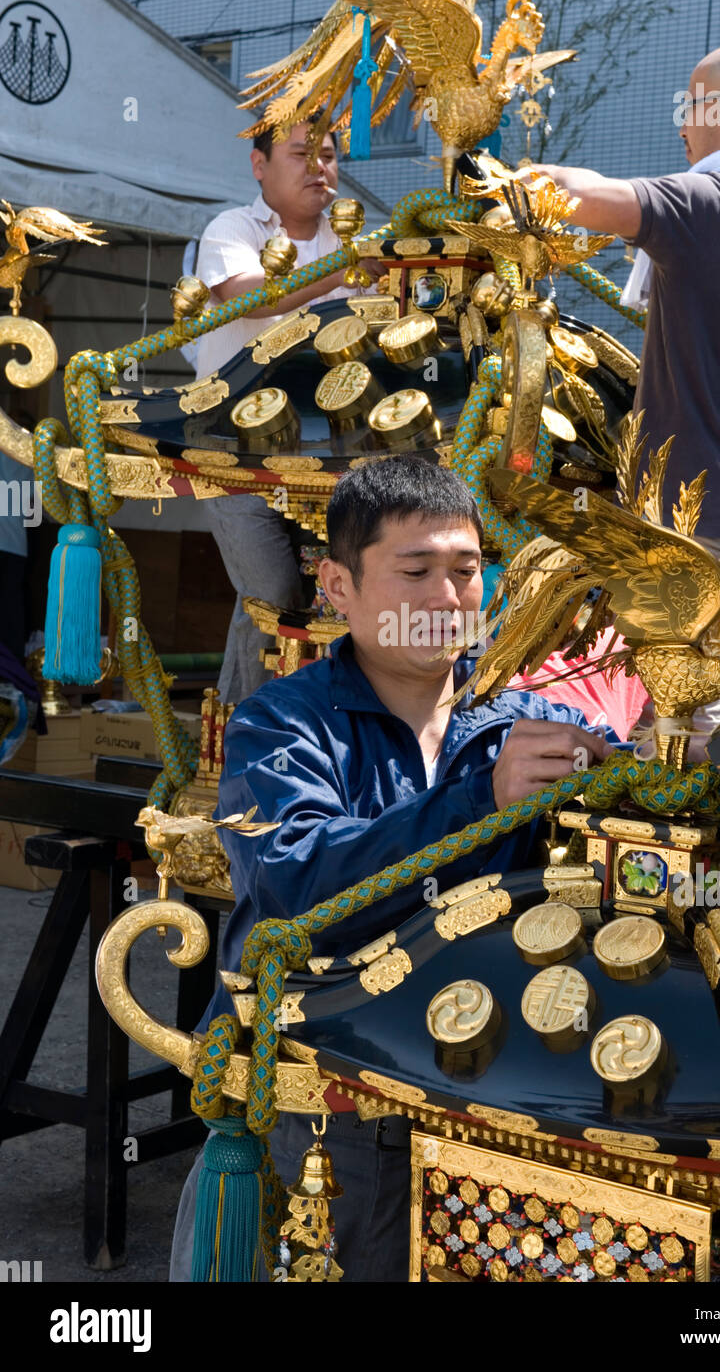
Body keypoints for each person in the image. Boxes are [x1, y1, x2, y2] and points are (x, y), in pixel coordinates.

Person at [170, 456, 623, 1283]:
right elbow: (293, 884)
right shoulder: (281, 722)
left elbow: (635, 811)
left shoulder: (526, 718)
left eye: (466, 570)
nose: (448, 598)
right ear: (337, 585)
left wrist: (685, 758)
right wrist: (479, 800)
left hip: (489, 1097)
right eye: (415, 571)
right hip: (323, 1099)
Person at [519, 40, 720, 733]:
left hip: (694, 516)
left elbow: (584, 196)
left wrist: (501, 177)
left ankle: (712, 837)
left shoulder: (714, 204)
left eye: (691, 102)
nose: (680, 121)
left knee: (693, 724)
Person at [194, 119, 383, 704]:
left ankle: (243, 739)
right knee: (273, 595)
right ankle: (250, 745)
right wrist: (350, 268)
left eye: (327, 155)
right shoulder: (232, 229)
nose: (318, 167)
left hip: (327, 457)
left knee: (320, 595)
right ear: (259, 166)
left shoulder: (351, 239)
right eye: (301, 154)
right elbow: (253, 296)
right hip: (231, 453)